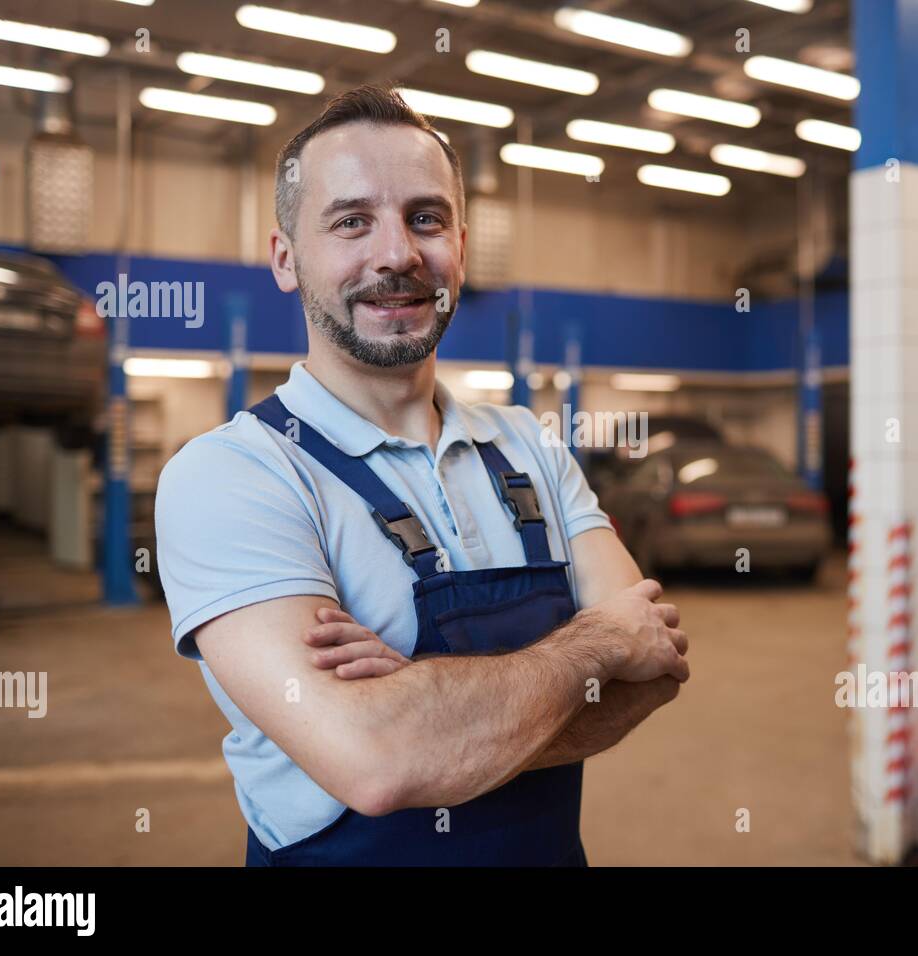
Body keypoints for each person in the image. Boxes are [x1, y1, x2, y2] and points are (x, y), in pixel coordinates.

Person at [155, 84, 689, 867]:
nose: (397, 254)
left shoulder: (530, 446)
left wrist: (423, 705)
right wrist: (593, 646)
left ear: (460, 249)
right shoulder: (231, 474)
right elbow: (375, 764)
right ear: (285, 258)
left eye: (425, 218)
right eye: (351, 221)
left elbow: (655, 673)